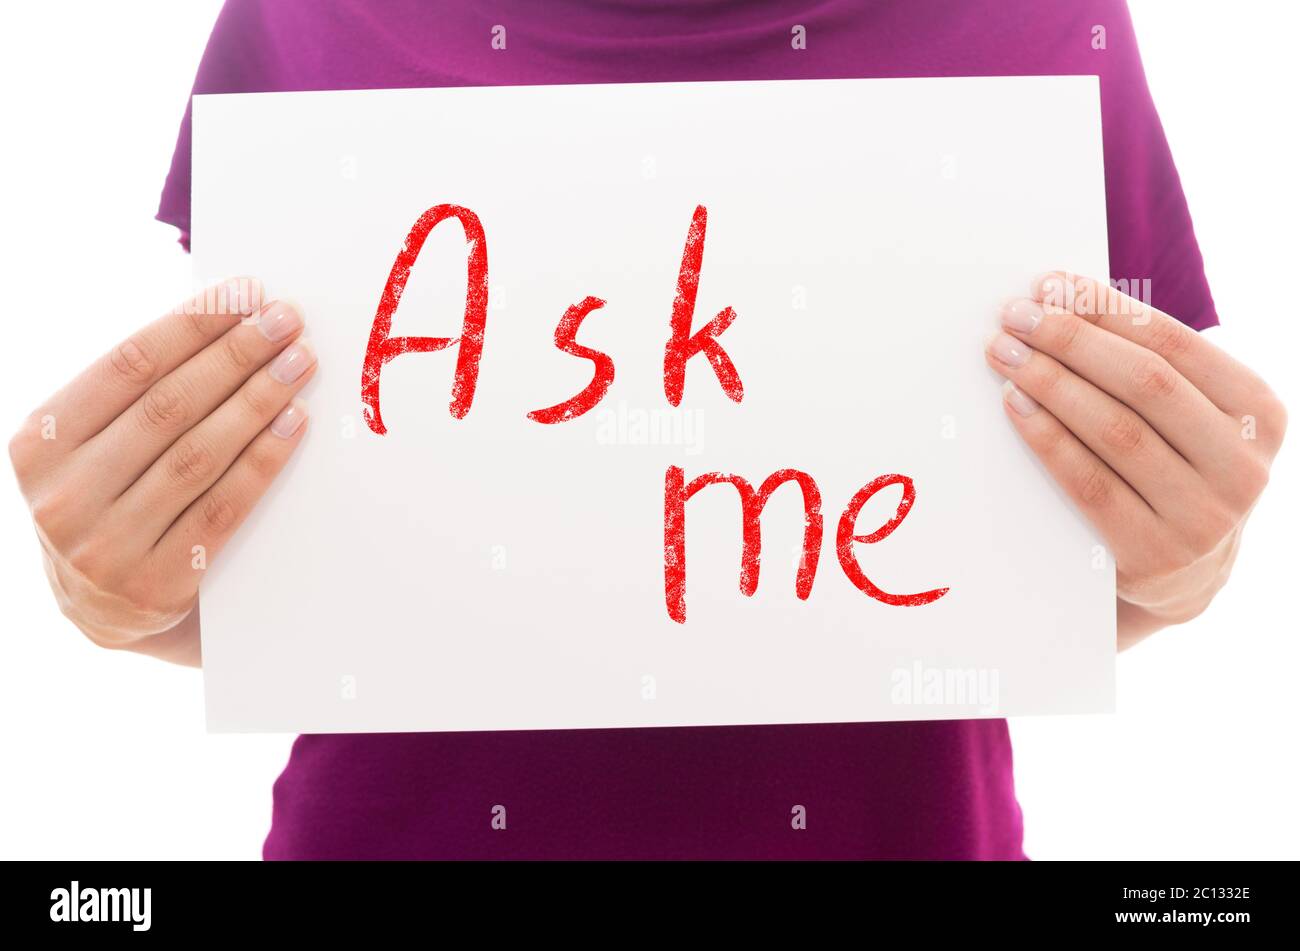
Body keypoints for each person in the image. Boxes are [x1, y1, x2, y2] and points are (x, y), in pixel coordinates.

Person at [8, 1, 1285, 859]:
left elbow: (1035, 580)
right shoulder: (304, 13)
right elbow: (315, 573)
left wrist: (1176, 577)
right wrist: (126, 600)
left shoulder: (1046, 20)